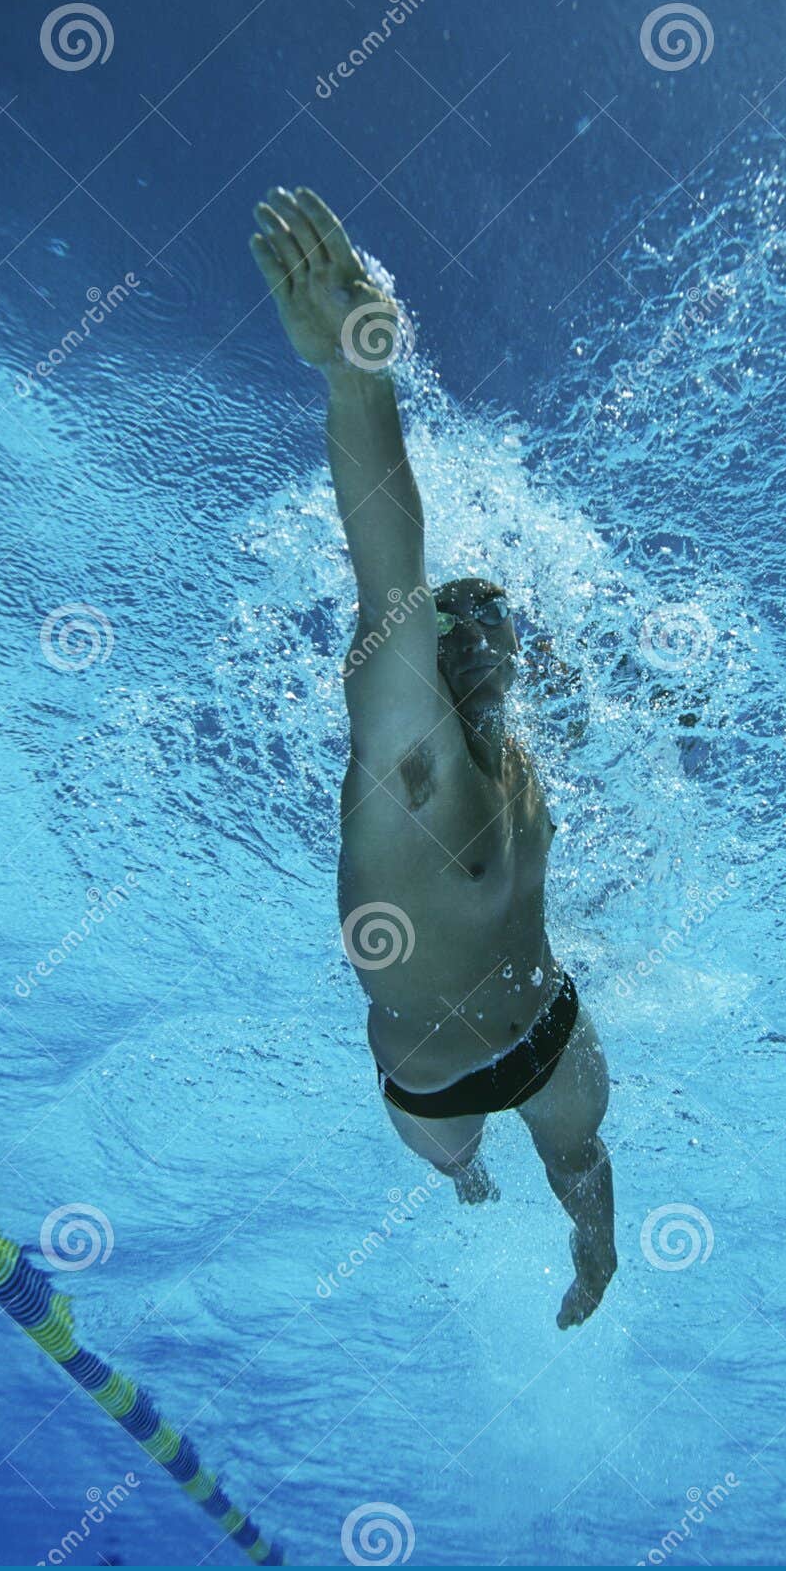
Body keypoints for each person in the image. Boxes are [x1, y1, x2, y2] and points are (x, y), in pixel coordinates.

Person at [249, 186, 616, 1327]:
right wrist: (356, 371)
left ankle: (593, 1262)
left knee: (584, 1167)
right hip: (438, 1082)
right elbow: (388, 564)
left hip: (548, 1033)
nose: (494, 650)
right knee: (459, 1166)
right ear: (434, 648)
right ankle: (469, 1179)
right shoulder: (408, 752)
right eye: (468, 632)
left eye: (505, 634)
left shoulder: (522, 773)